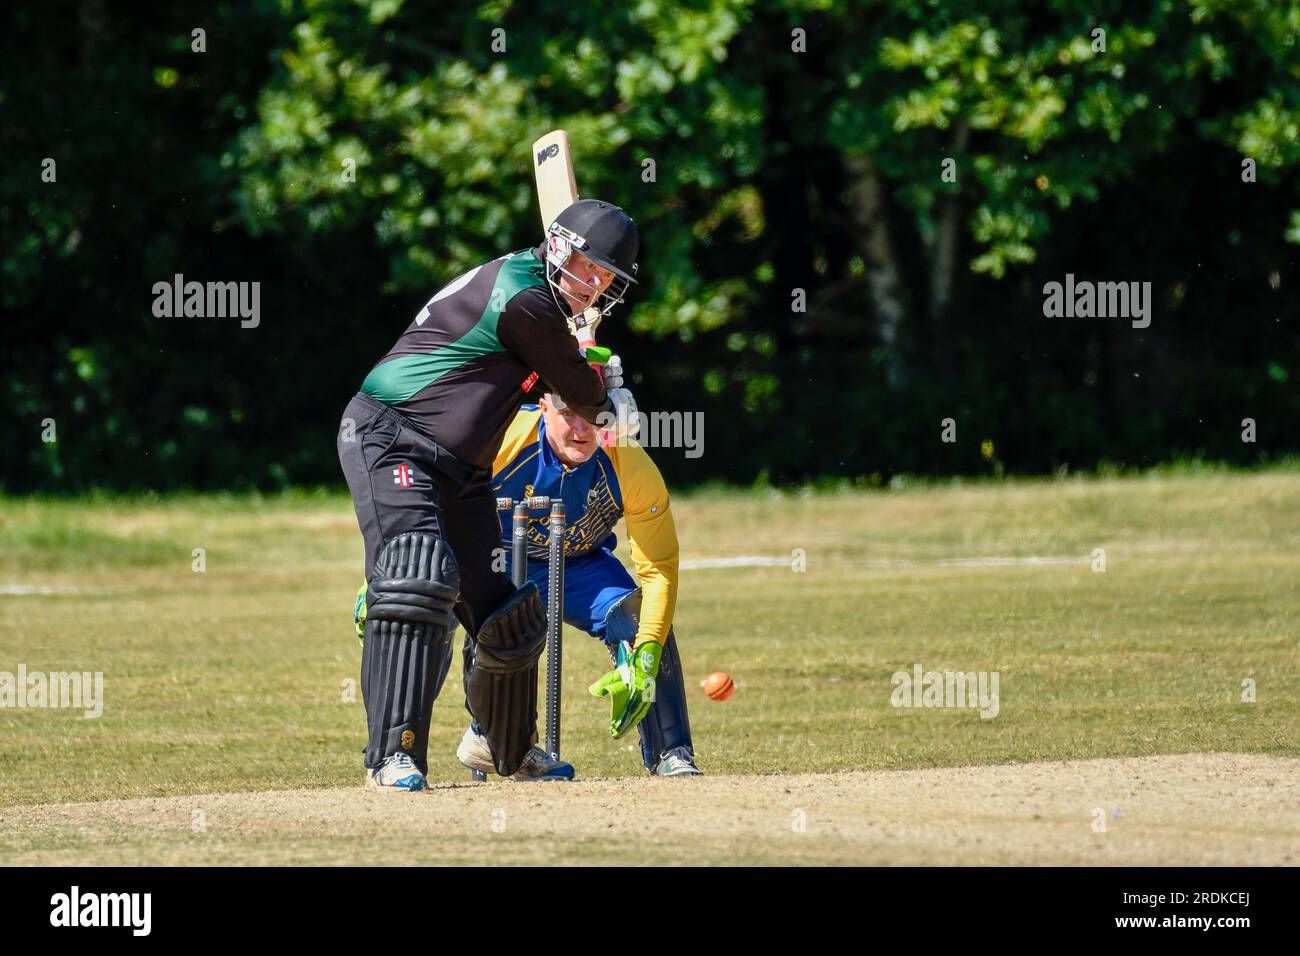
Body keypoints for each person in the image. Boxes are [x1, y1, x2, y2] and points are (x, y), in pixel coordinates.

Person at [338, 199, 647, 790]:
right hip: (392, 437)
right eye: (592, 268)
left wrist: (592, 381)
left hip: (463, 469)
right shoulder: (525, 297)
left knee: (506, 614)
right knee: (418, 577)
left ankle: (503, 748)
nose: (598, 284)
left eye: (609, 277)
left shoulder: (541, 303)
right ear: (559, 249)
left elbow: (565, 370)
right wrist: (611, 403)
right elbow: (578, 388)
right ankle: (392, 755)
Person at [454, 391, 702, 777]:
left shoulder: (628, 463)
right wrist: (391, 582)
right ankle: (436, 748)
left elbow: (658, 569)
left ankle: (672, 754)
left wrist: (647, 652)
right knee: (440, 615)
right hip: (493, 559)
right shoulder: (503, 437)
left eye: (593, 413)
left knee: (638, 619)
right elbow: (431, 502)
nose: (582, 428)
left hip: (579, 564)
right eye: (568, 412)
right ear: (544, 408)